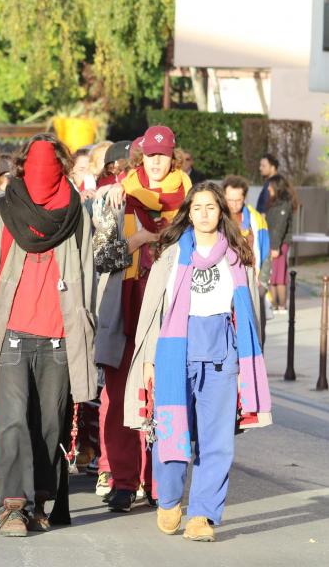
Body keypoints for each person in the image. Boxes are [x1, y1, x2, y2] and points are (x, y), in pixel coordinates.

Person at [123, 182, 272, 542]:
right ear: (188, 213)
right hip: (175, 355)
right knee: (171, 435)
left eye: (211, 207)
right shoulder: (171, 255)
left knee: (217, 441)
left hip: (222, 359)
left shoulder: (236, 256)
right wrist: (147, 360)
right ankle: (171, 499)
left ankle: (203, 516)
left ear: (221, 212)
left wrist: (246, 371)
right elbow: (152, 312)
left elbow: (249, 316)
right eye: (198, 207)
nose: (204, 214)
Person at [0, 135, 96, 536]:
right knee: (11, 420)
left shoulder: (77, 213)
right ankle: (13, 505)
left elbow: (87, 274)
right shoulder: (6, 211)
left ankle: (41, 499)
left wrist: (84, 325)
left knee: (50, 425)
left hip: (59, 336)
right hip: (11, 335)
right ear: (23, 168)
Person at [97, 126, 192, 512]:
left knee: (165, 394)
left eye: (163, 155)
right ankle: (123, 480)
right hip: (126, 302)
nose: (155, 162)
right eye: (150, 155)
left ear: (173, 158)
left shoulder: (192, 201)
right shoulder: (117, 197)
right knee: (120, 396)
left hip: (170, 308)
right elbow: (101, 258)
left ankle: (158, 481)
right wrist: (136, 241)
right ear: (140, 158)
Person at [221, 176, 270, 284]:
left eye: (238, 200)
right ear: (223, 197)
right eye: (230, 200)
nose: (234, 204)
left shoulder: (256, 220)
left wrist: (263, 280)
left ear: (244, 198)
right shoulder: (215, 217)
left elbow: (266, 251)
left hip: (250, 278)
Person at [263, 175, 297, 313]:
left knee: (279, 276)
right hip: (273, 242)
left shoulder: (284, 204)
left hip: (279, 244)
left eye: (271, 186)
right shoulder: (275, 202)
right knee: (273, 275)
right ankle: (275, 305)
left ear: (277, 187)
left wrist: (275, 247)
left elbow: (280, 227)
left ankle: (281, 305)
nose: (269, 188)